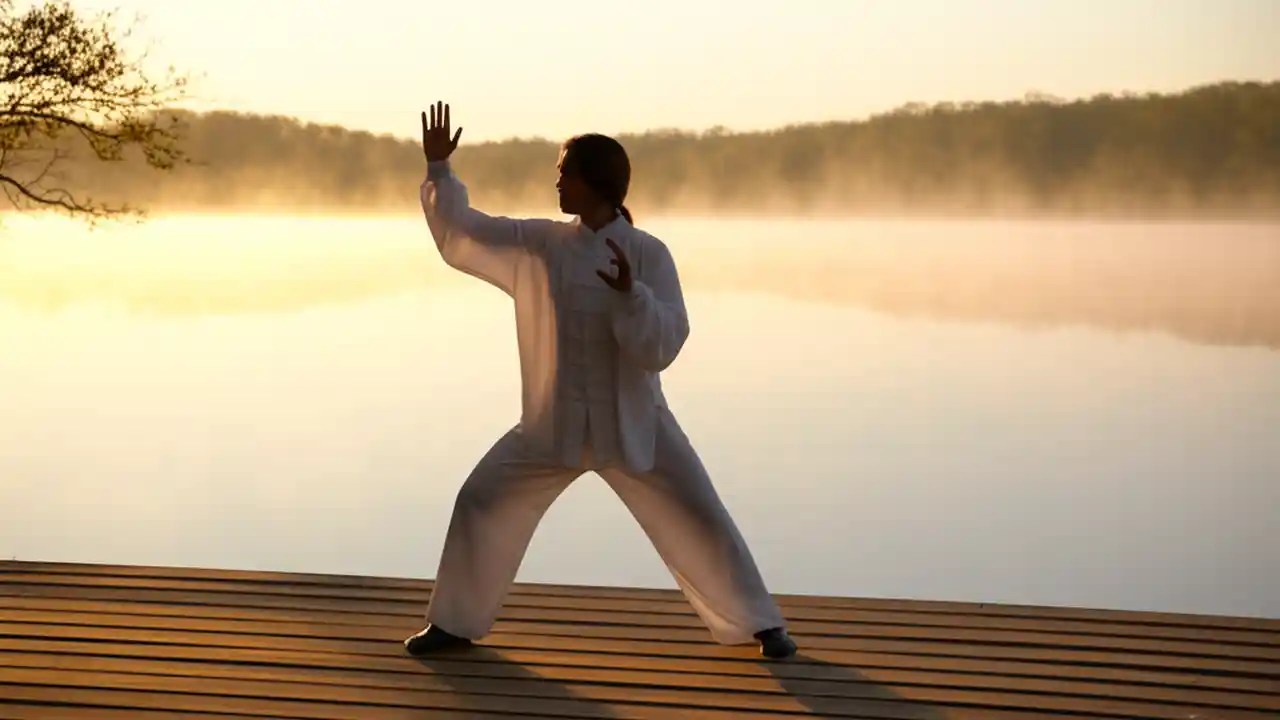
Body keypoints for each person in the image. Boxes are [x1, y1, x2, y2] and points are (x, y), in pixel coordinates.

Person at [404, 101, 797, 660]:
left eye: (565, 171)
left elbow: (663, 346)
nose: (557, 180)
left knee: (700, 514)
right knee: (482, 499)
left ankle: (763, 625)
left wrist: (629, 295)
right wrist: (439, 170)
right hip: (553, 424)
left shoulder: (648, 253)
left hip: (637, 425)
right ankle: (453, 623)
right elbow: (469, 231)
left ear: (595, 181)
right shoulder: (545, 244)